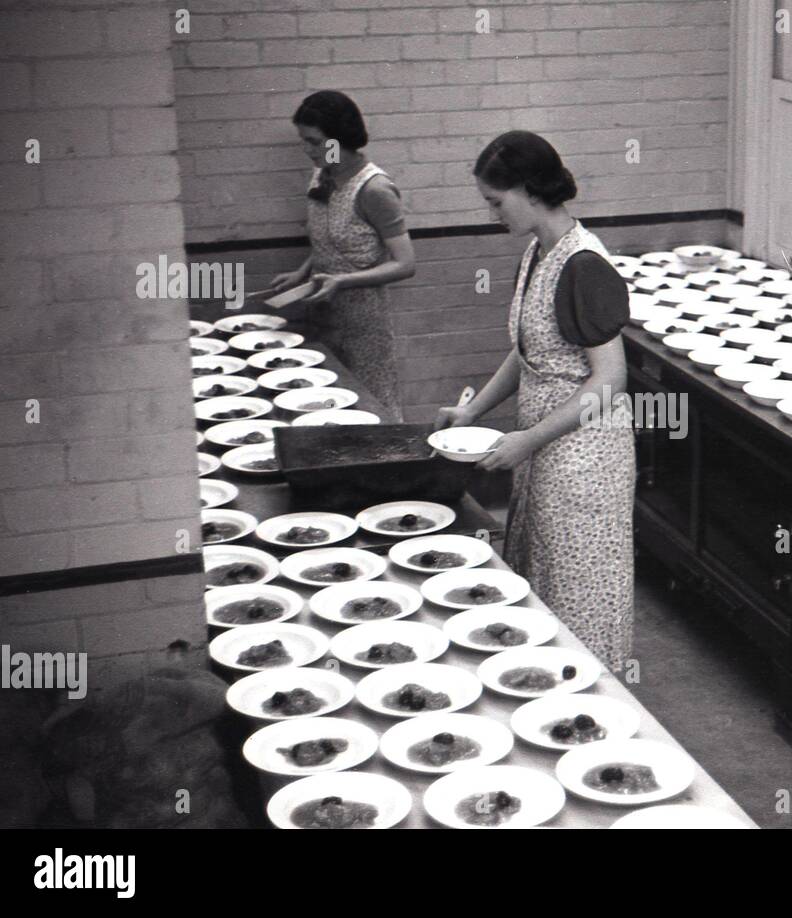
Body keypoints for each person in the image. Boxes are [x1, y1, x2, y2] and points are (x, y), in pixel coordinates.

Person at [435, 131, 635, 671]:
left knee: (577, 584)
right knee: (543, 572)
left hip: (584, 454)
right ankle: (546, 688)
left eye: (495, 202)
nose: (491, 213)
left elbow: (611, 380)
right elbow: (527, 353)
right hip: (545, 443)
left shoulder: (583, 265)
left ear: (527, 190)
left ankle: (593, 696)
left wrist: (528, 440)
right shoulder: (537, 250)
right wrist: (474, 411)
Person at [267, 90, 415, 419]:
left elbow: (406, 263)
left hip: (364, 322)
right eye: (303, 141)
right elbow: (329, 239)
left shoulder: (375, 189)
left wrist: (344, 280)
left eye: (315, 142)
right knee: (326, 403)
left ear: (341, 139)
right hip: (325, 311)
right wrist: (301, 273)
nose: (308, 150)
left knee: (370, 407)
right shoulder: (322, 175)